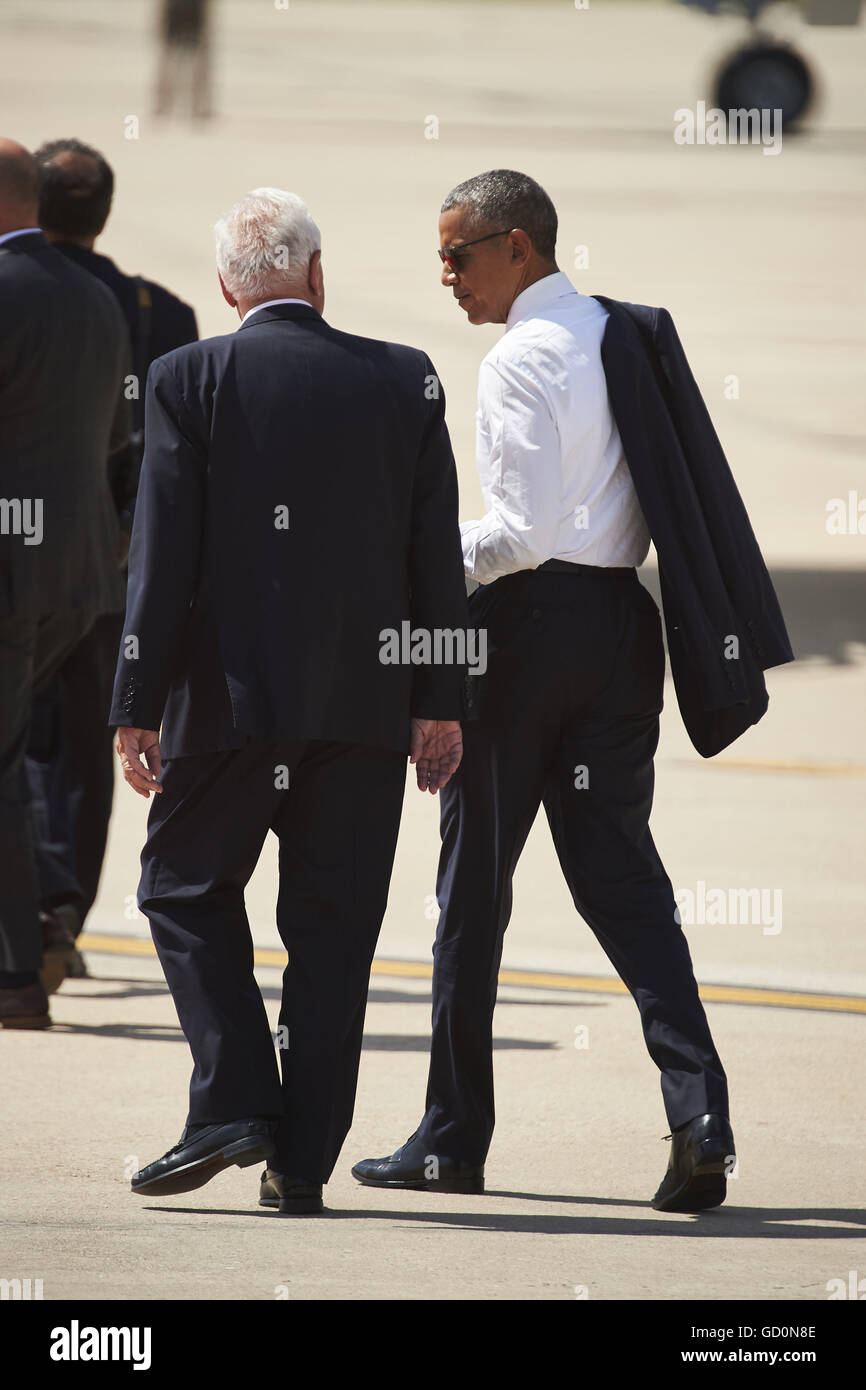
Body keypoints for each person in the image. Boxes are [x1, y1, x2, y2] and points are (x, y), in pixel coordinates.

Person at [352, 169, 794, 1212]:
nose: (445, 274)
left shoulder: (517, 359)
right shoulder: (618, 336)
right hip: (617, 635)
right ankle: (699, 1113)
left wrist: (407, 560)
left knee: (470, 892)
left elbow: (518, 537)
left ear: (517, 247)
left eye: (458, 253)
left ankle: (452, 1136)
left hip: (522, 638)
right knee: (626, 886)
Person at [108, 188, 469, 1215]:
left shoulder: (186, 376)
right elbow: (430, 555)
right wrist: (437, 698)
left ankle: (229, 1098)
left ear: (226, 287)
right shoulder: (407, 377)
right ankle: (300, 1160)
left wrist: (135, 697)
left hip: (228, 708)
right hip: (363, 710)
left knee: (182, 889)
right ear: (317, 275)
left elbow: (159, 555)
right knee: (333, 930)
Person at [25, 138, 199, 978]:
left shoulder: (22, 292)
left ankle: (31, 901)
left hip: (25, 558)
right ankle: (60, 910)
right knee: (92, 748)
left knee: (22, 740)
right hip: (118, 562)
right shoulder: (159, 312)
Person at [0, 139, 131, 1029]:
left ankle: (17, 974)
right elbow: (117, 432)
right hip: (76, 576)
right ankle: (40, 926)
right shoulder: (97, 296)